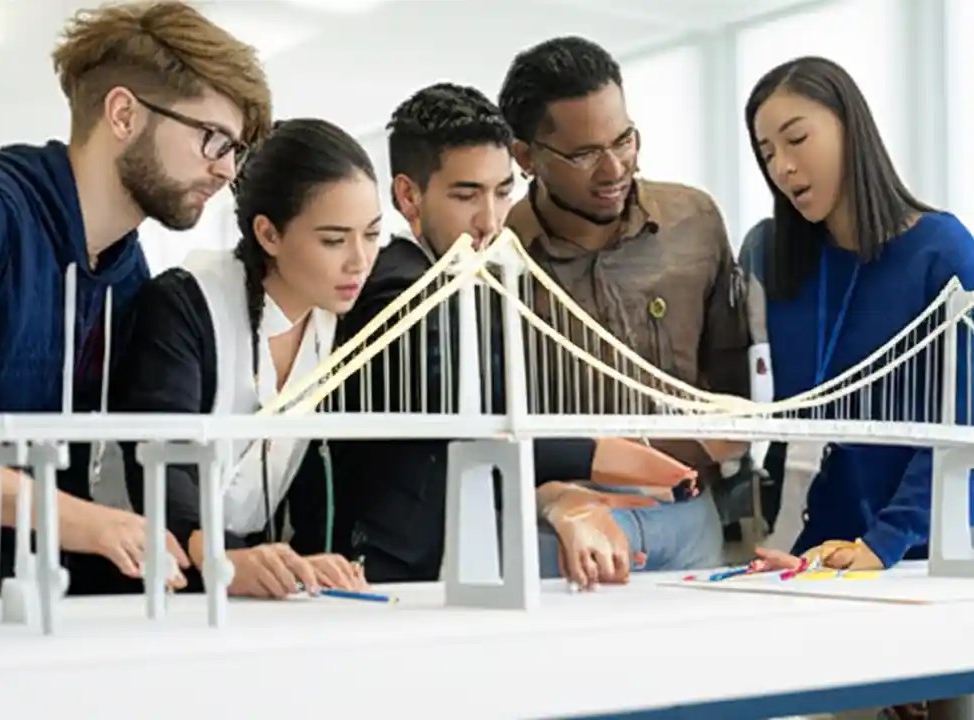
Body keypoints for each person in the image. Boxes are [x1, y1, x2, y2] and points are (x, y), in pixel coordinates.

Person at [289, 83, 701, 590]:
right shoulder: (397, 286)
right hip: (370, 580)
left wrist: (565, 492)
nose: (490, 220)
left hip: (430, 572)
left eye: (503, 191)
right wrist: (606, 454)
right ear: (408, 195)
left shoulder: (462, 282)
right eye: (466, 195)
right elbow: (474, 427)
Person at [0, 0, 271, 594]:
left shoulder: (127, 273)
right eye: (213, 139)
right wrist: (84, 522)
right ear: (122, 114)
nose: (225, 172)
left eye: (235, 151)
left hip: (36, 606)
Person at [741, 56, 974, 720]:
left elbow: (962, 428)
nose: (784, 168)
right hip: (818, 558)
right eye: (767, 152)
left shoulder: (941, 249)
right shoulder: (771, 254)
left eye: (797, 139)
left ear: (851, 127)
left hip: (926, 551)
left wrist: (884, 543)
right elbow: (767, 412)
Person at [498, 36, 751, 570]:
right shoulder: (497, 253)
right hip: (562, 529)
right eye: (585, 154)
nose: (614, 168)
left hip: (690, 519)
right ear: (525, 157)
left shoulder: (694, 220)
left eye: (624, 140)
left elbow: (734, 372)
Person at [112, 119, 375, 599]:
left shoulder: (332, 323)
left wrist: (310, 562)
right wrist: (222, 554)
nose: (359, 260)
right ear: (269, 234)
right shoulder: (185, 303)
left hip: (240, 573)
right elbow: (160, 455)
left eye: (372, 235)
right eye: (335, 240)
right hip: (145, 572)